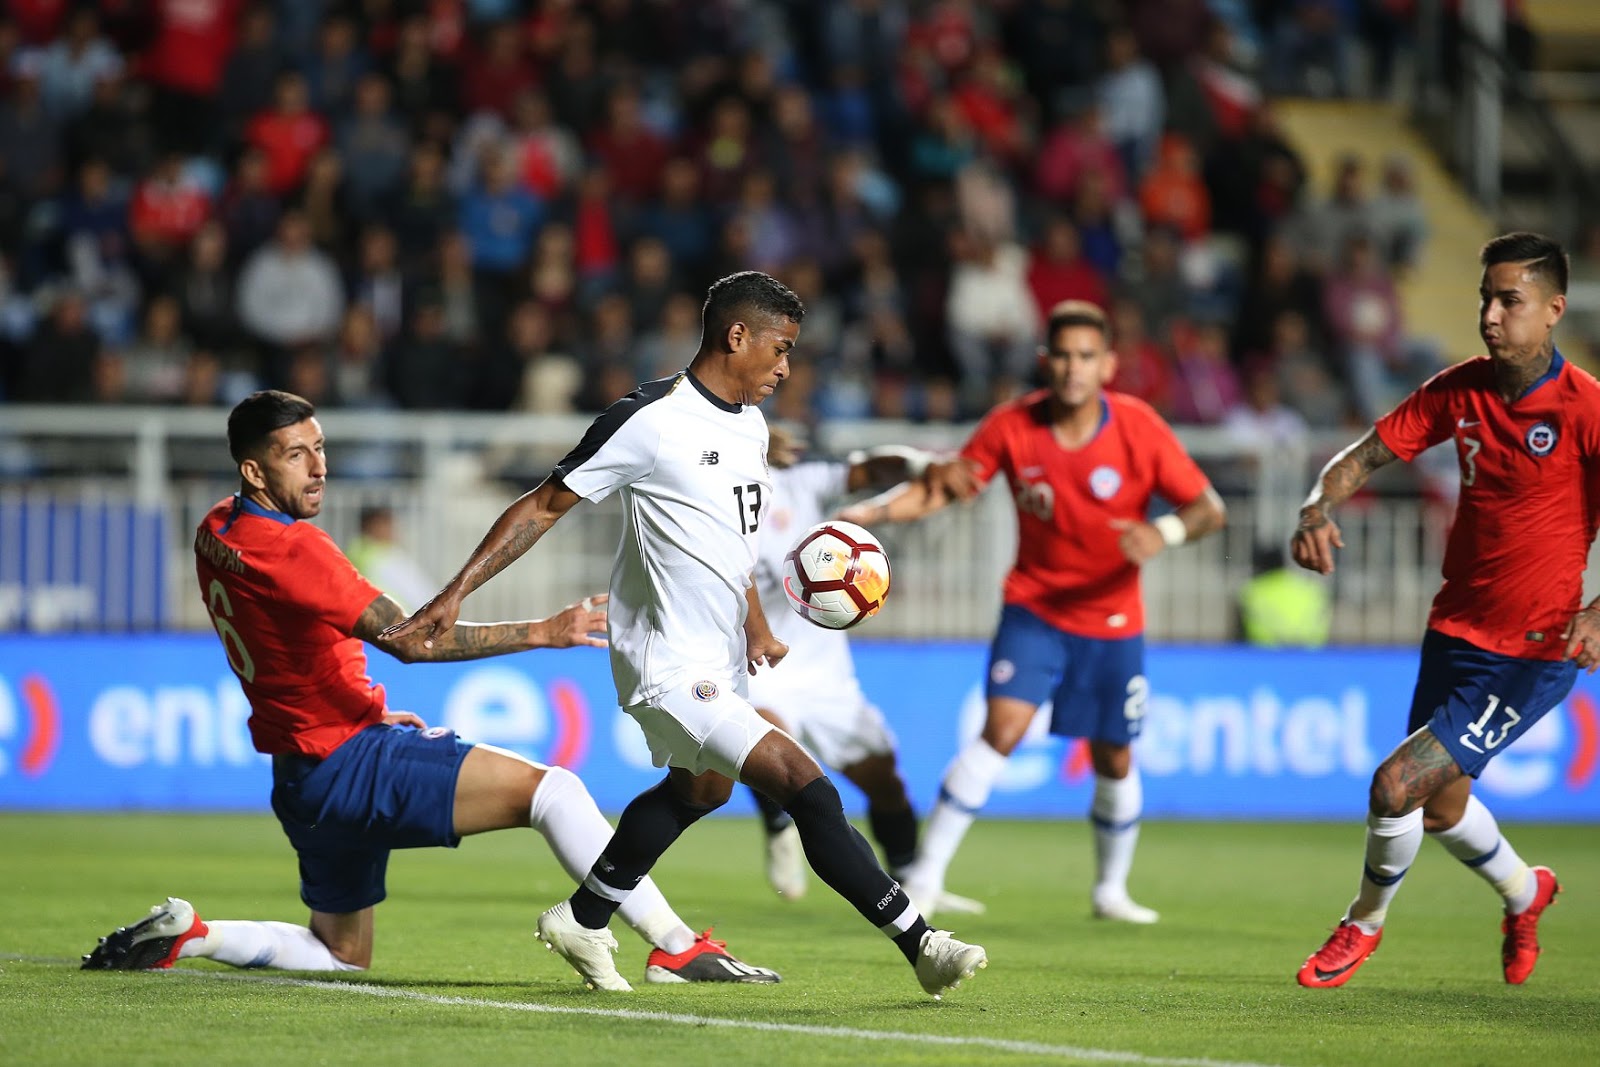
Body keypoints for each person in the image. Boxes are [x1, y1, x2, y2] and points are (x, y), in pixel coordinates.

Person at [383, 272, 988, 998]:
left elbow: (734, 545)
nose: (786, 367)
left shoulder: (751, 424)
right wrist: (453, 592)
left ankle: (583, 916)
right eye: (780, 348)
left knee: (697, 790)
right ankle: (922, 942)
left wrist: (756, 627)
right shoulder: (652, 419)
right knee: (806, 787)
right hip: (662, 659)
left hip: (719, 655)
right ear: (738, 336)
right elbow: (542, 505)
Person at [82, 390, 778, 988]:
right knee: (555, 791)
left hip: (301, 778)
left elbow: (296, 647)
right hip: (351, 759)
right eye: (296, 454)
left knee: (340, 954)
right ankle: (676, 940)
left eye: (320, 445)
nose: (320, 464)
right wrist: (543, 629)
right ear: (254, 468)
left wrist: (361, 703)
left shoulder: (216, 528)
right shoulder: (297, 551)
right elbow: (413, 639)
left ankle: (194, 933)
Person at [842, 299, 1226, 923]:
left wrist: (1165, 534)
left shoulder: (1139, 427)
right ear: (1046, 361)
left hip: (1112, 620)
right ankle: (927, 878)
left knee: (1115, 757)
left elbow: (1210, 509)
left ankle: (1110, 891)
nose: (1074, 368)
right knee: (1001, 732)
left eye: (1087, 356)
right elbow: (947, 485)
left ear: (1108, 365)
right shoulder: (1013, 425)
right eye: (1063, 356)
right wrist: (875, 514)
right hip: (1035, 609)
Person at [1292, 232, 1599, 988]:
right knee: (1438, 808)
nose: (1491, 315)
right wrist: (1314, 506)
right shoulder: (1458, 389)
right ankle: (1527, 893)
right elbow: (1361, 455)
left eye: (1510, 301)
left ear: (1554, 309)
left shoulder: (1586, 408)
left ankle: (1361, 924)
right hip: (1456, 629)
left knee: (1395, 784)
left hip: (1536, 648)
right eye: (1486, 299)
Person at [743, 425, 982, 917]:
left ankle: (915, 878)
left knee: (885, 781)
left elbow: (874, 467)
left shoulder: (803, 484)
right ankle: (779, 827)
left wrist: (920, 463)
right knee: (775, 745)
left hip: (824, 674)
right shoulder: (714, 498)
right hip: (757, 661)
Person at [346, 505, 436, 611]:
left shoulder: (354, 551)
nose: (394, 529)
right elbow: (420, 596)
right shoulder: (381, 556)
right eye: (388, 524)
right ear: (373, 526)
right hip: (399, 621)